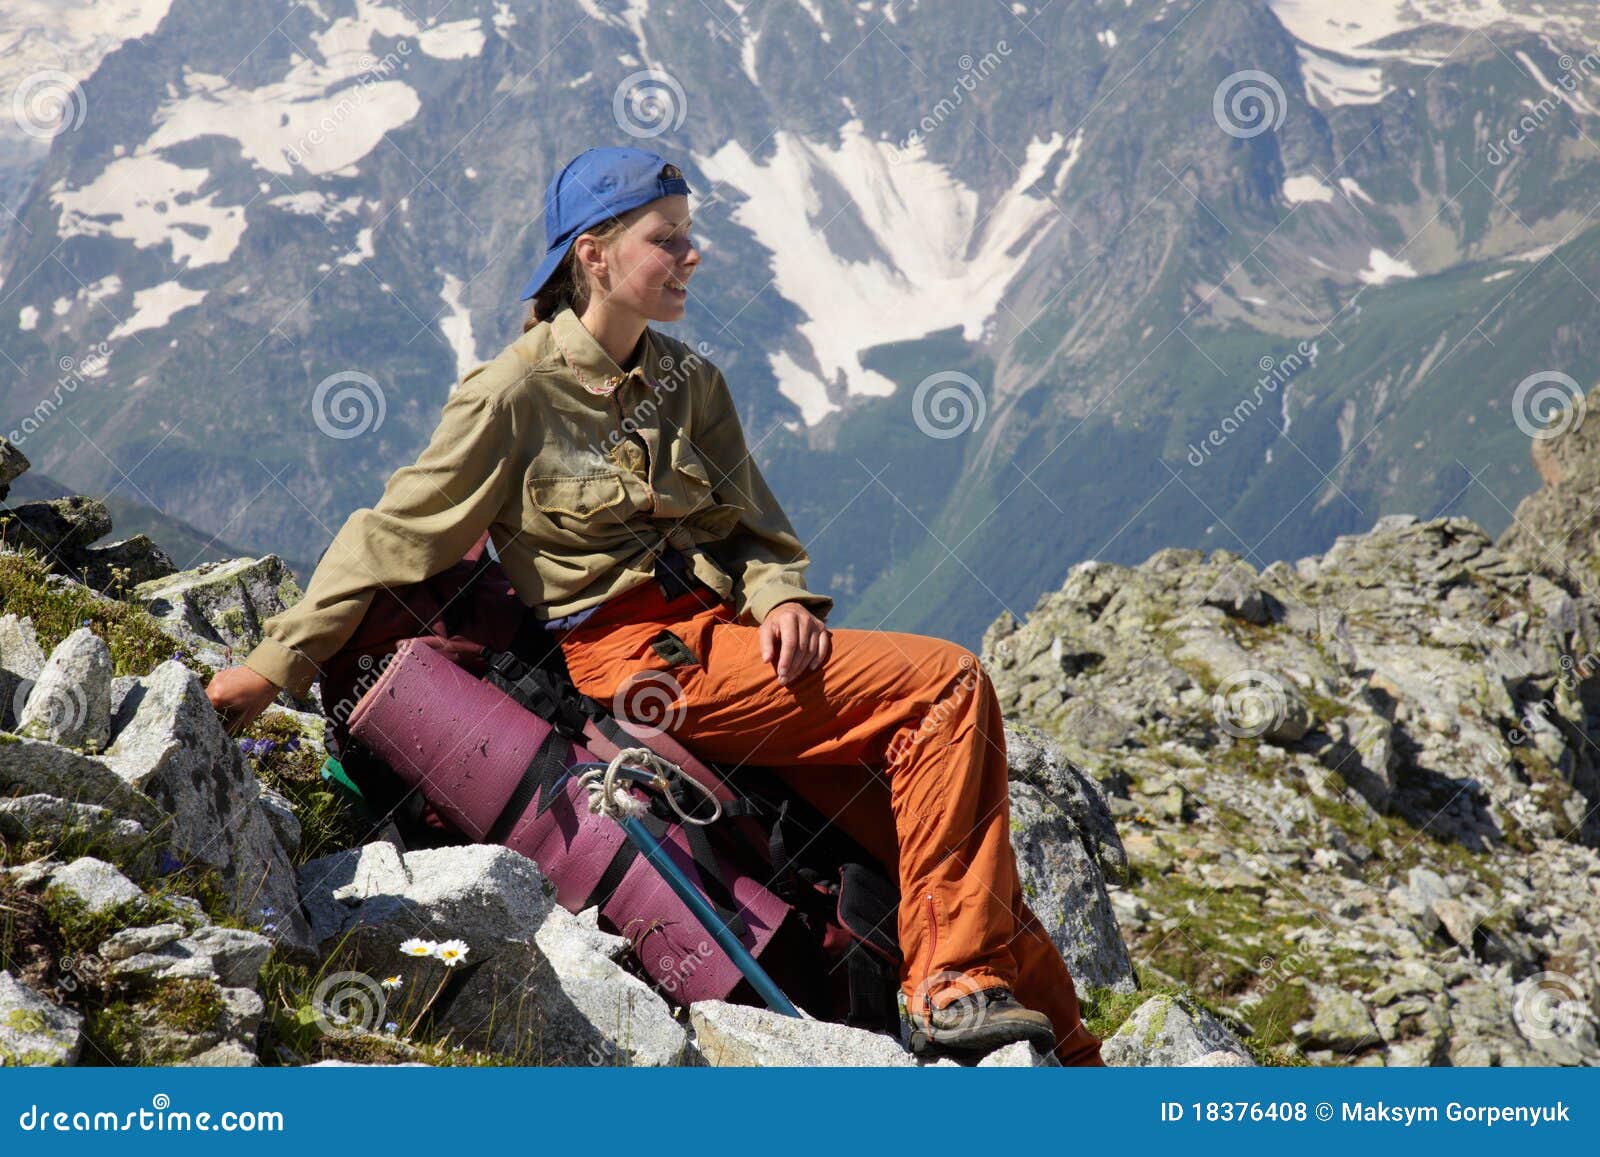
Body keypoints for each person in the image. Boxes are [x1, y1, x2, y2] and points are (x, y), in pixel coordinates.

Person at [205, 146, 1104, 1066]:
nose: (691, 256)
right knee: (946, 686)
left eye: (689, 236)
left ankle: (1080, 1073)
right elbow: (391, 538)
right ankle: (947, 990)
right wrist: (274, 667)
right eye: (666, 239)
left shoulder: (693, 384)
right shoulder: (512, 394)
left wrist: (783, 595)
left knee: (953, 860)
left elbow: (757, 534)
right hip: (639, 667)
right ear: (593, 255)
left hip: (736, 649)